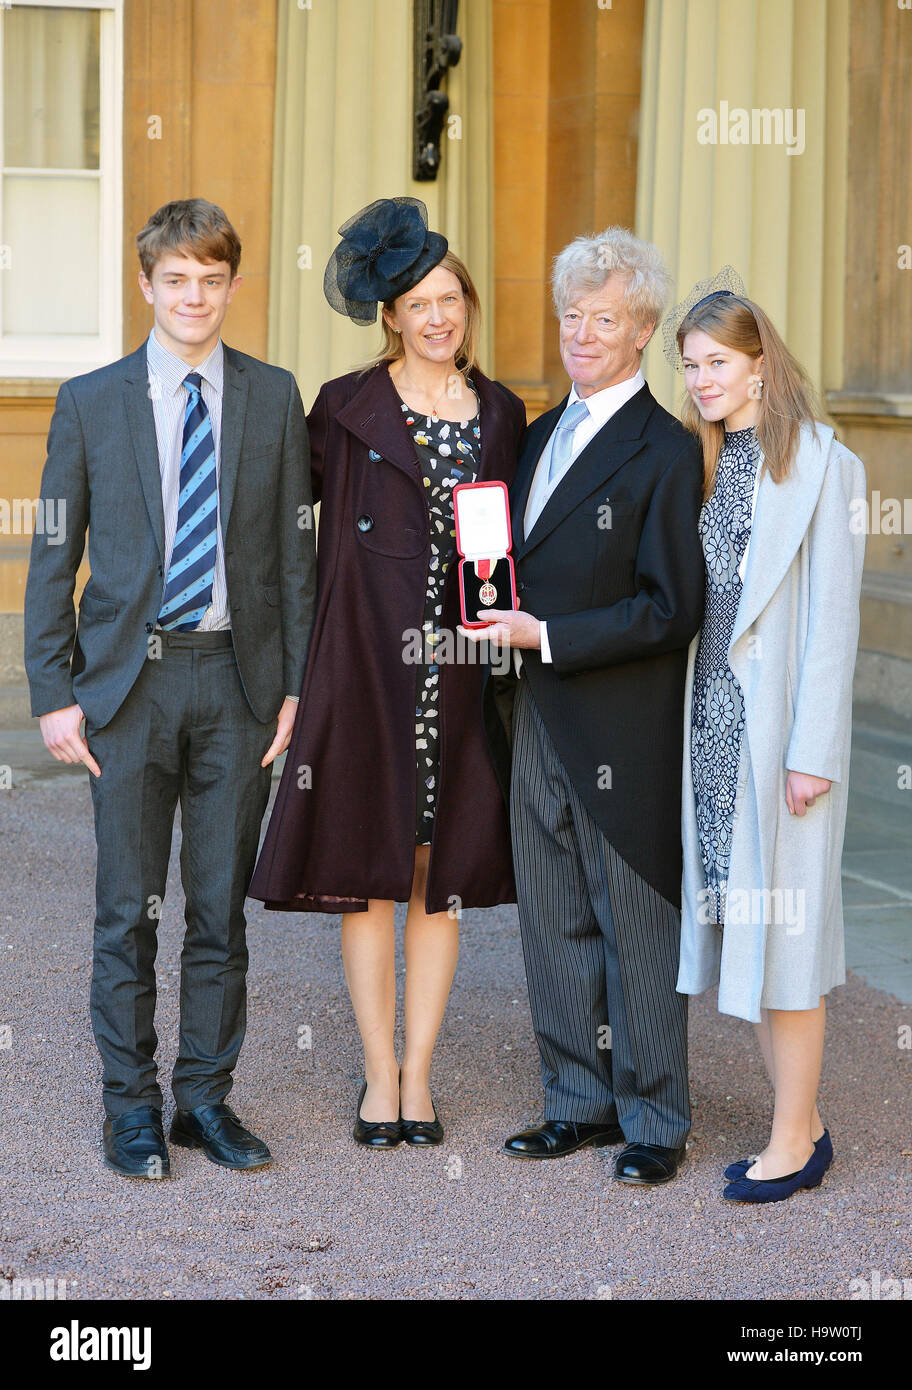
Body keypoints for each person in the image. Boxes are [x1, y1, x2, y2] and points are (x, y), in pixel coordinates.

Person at [24, 198, 316, 1177]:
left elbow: (293, 563)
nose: (196, 296)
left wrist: (293, 691)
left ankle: (203, 1100)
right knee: (125, 908)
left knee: (218, 909)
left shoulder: (274, 398)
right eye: (177, 279)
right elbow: (53, 551)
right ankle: (131, 1110)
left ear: (232, 285)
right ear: (147, 285)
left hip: (237, 682)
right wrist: (53, 687)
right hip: (129, 687)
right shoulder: (91, 400)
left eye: (213, 279)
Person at [248, 198, 526, 1148]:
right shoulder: (344, 407)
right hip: (365, 663)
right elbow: (284, 537)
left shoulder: (501, 412)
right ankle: (376, 1078)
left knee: (434, 877)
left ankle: (420, 1075)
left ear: (468, 309)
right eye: (420, 300)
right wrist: (286, 665)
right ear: (392, 316)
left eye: (453, 298)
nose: (440, 315)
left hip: (457, 669)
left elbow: (498, 551)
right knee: (370, 871)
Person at [468, 227, 705, 1183]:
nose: (582, 333)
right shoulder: (532, 436)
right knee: (553, 915)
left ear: (641, 330)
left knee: (634, 922)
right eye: (572, 314)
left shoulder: (666, 449)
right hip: (533, 716)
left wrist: (547, 636)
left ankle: (654, 1120)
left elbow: (670, 607)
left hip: (621, 725)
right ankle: (577, 1100)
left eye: (604, 317)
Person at [669, 272, 866, 1203]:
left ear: (759, 364)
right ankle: (804, 1119)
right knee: (747, 929)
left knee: (787, 937)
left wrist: (813, 751)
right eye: (692, 366)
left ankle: (793, 1141)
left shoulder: (825, 462)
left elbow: (834, 621)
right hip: (711, 724)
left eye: (718, 363)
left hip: (781, 733)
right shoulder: (703, 461)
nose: (703, 380)